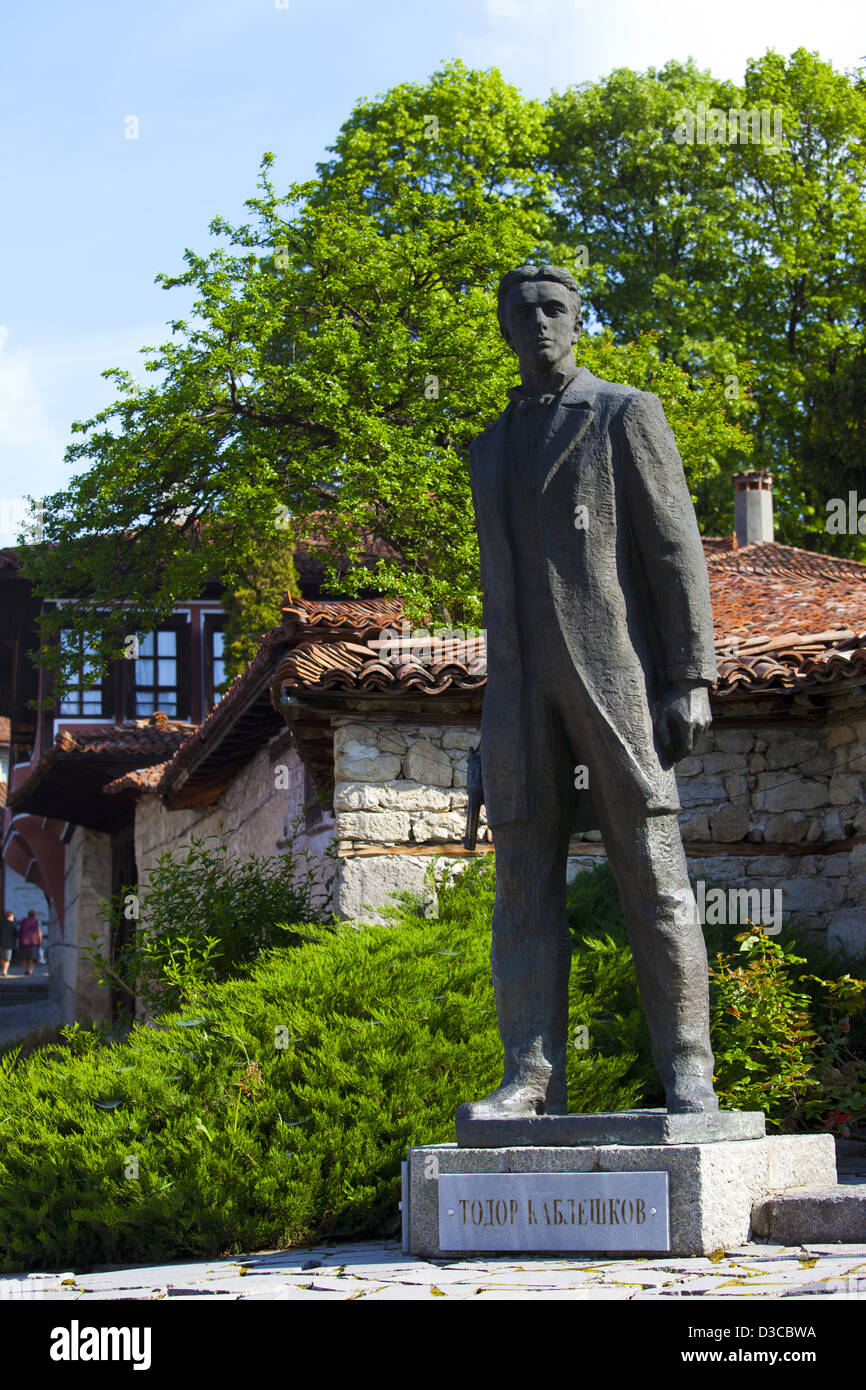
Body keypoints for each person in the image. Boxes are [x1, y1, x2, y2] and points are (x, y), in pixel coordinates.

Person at [460, 263, 717, 1122]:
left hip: (616, 679)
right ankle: (529, 1077)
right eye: (522, 311)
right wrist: (489, 727)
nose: (538, 322)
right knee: (522, 889)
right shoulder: (488, 446)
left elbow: (675, 551)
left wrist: (689, 677)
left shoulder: (624, 413)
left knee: (653, 872)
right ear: (502, 328)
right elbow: (497, 596)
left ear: (577, 320)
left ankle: (688, 1070)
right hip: (520, 694)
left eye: (553, 308)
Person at [17, 909, 42, 977]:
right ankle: (31, 971)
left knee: (24, 957)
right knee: (32, 957)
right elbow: (39, 931)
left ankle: (25, 970)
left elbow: (20, 930)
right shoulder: (37, 921)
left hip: (24, 941)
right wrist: (40, 940)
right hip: (33, 941)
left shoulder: (23, 921)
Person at [0, 910, 15, 977]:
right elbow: (16, 934)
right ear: (10, 916)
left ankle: (3, 970)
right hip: (8, 944)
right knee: (7, 958)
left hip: (0, 943)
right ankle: (5, 971)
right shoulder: (12, 924)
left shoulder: (0, 923)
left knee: (2, 958)